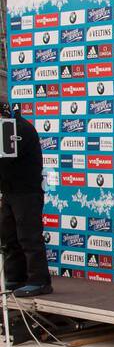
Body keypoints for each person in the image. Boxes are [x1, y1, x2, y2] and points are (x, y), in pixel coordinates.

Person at [0, 101, 53, 297]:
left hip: (27, 193)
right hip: (9, 191)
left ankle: (39, 281)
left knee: (29, 237)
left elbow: (6, 158)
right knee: (9, 236)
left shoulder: (20, 129)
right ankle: (15, 277)